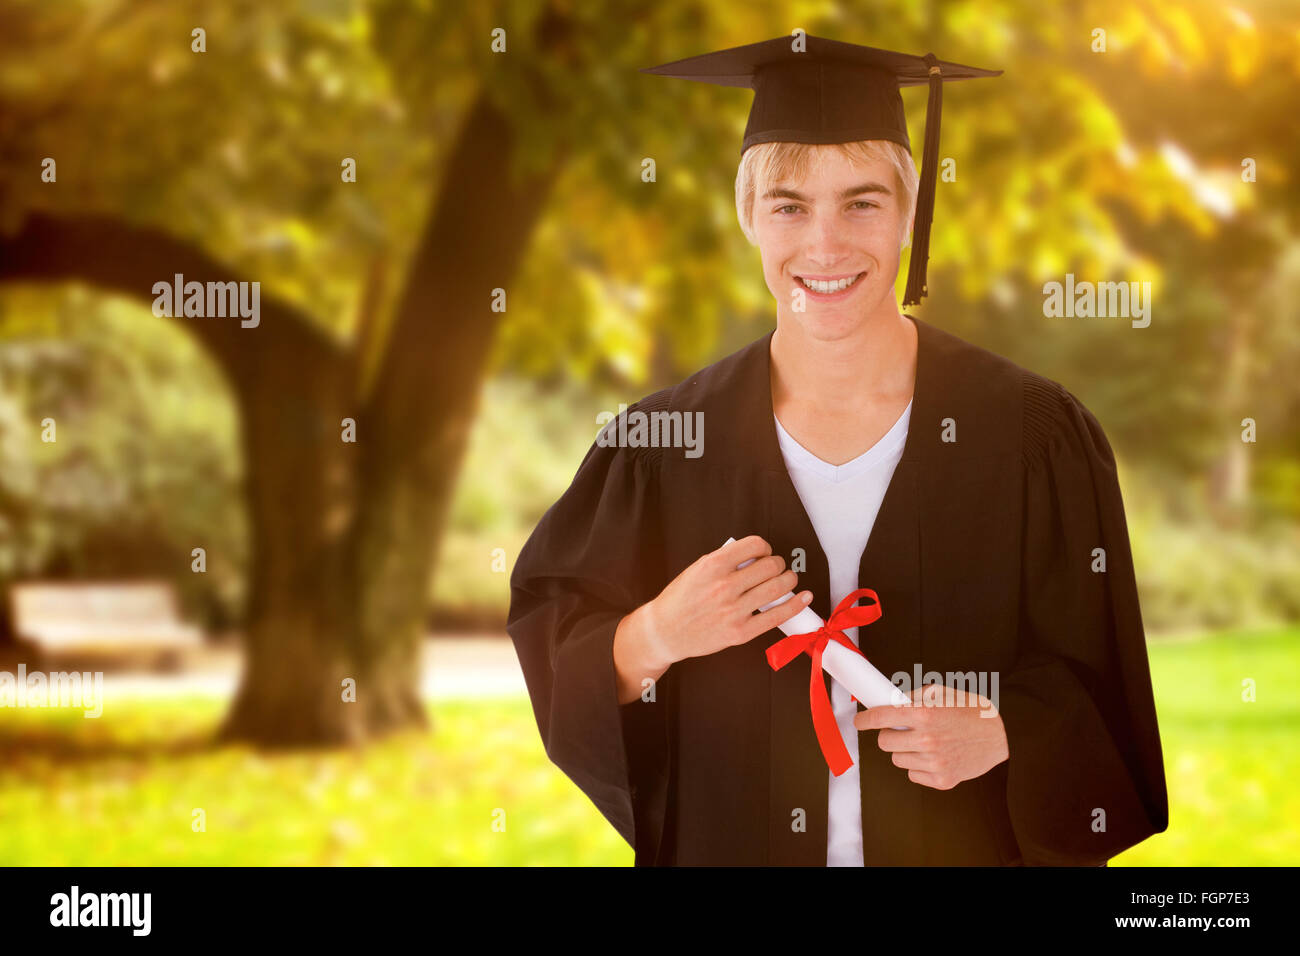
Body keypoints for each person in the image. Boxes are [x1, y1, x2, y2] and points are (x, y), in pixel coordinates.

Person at [507, 33, 1168, 866]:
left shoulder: (1033, 436)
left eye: (861, 203)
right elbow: (554, 641)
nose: (824, 246)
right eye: (789, 205)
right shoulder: (662, 446)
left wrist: (1004, 732)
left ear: (909, 214)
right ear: (749, 215)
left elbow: (1109, 697)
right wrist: (656, 633)